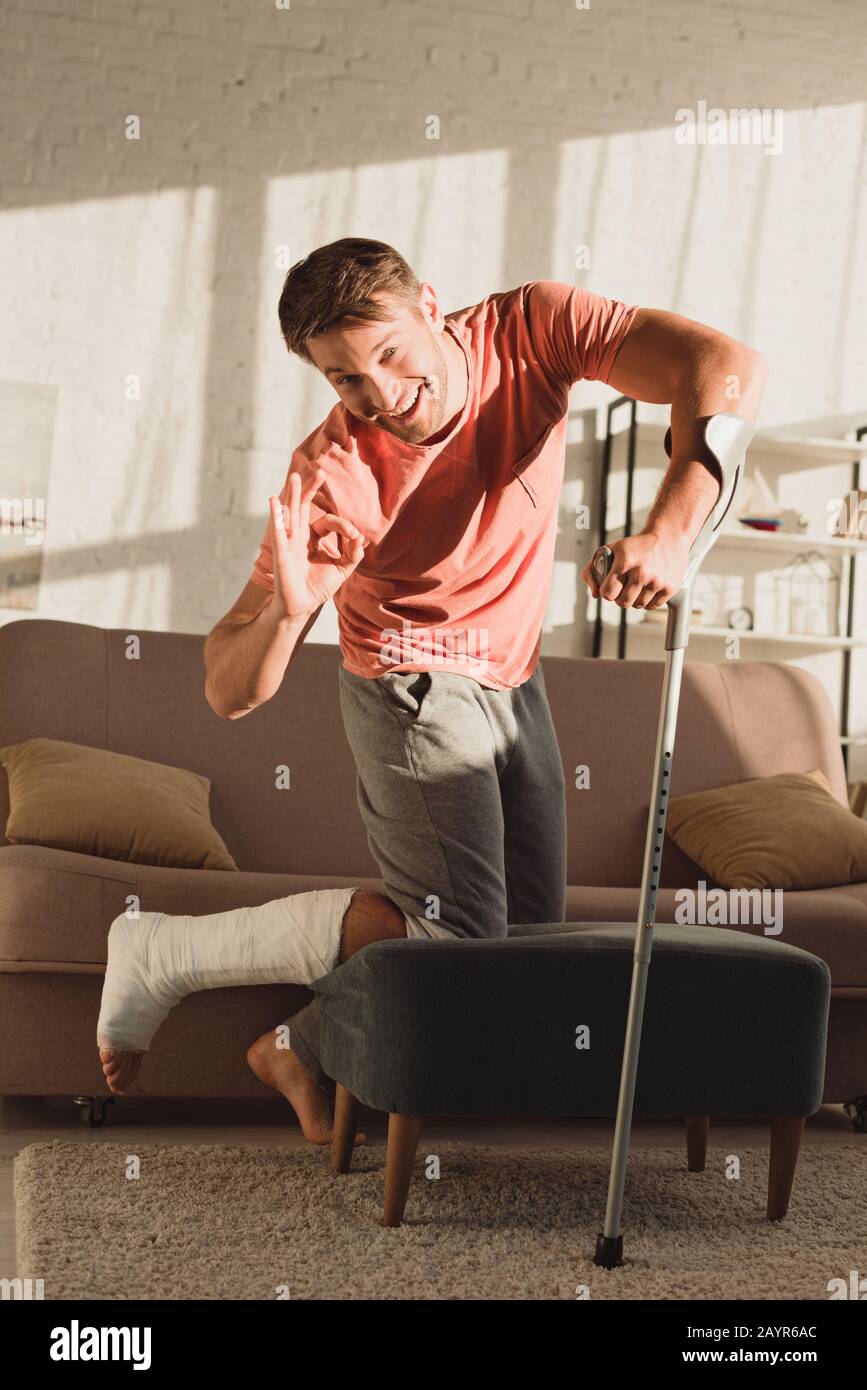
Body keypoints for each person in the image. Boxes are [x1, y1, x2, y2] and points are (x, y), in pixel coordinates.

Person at [97, 237, 767, 1142]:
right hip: (409, 680)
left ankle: (297, 1042)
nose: (377, 394)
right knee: (459, 941)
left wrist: (672, 532)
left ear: (433, 309)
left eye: (387, 354)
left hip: (514, 678)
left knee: (519, 944)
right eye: (342, 379)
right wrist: (292, 616)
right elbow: (229, 691)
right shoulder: (333, 476)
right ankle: (166, 951)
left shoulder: (531, 330)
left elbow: (723, 365)